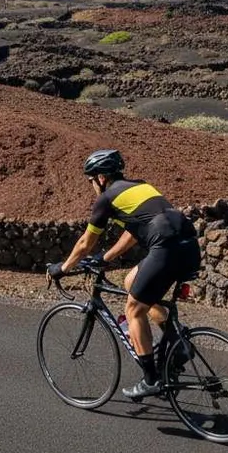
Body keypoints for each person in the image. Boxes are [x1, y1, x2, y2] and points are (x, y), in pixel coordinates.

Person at [47, 149, 201, 400]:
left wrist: (62, 268)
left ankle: (150, 379)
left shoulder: (106, 198)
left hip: (166, 248)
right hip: (189, 245)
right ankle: (178, 344)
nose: (91, 186)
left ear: (100, 178)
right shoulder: (140, 187)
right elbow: (133, 231)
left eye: (90, 181)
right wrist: (105, 258)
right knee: (132, 283)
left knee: (133, 309)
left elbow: (86, 242)